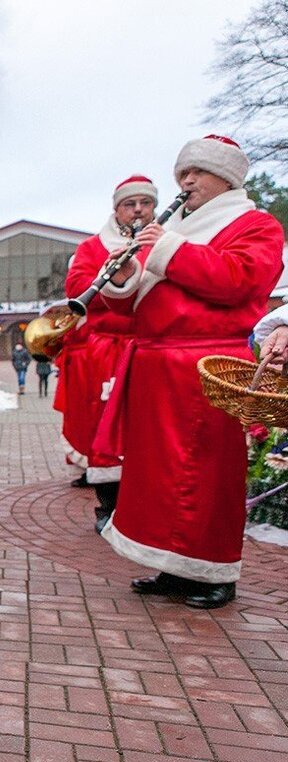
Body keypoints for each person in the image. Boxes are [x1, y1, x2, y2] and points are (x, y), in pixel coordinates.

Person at [98, 135, 283, 609]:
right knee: (156, 475)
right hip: (158, 362)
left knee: (206, 472)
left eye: (198, 171)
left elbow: (241, 279)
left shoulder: (254, 225)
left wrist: (167, 251)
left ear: (228, 177)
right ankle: (172, 564)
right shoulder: (176, 225)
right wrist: (121, 282)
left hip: (208, 364)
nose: (186, 180)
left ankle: (214, 569)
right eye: (183, 171)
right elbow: (133, 308)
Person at [64, 176, 157, 532]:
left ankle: (146, 505)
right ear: (116, 209)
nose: (137, 210)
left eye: (144, 203)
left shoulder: (166, 241)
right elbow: (75, 288)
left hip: (149, 346)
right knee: (105, 427)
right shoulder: (92, 247)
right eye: (129, 204)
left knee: (149, 429)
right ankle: (109, 506)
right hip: (106, 351)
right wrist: (114, 276)